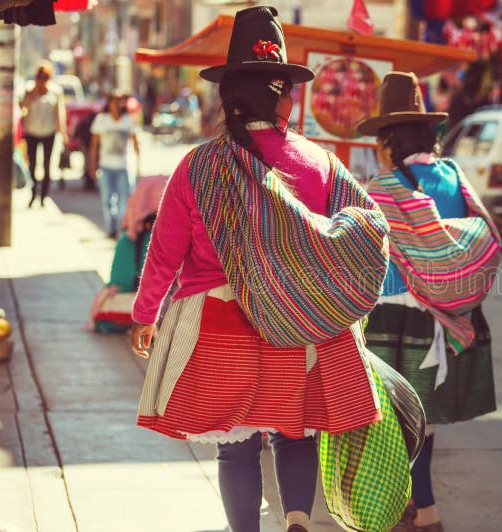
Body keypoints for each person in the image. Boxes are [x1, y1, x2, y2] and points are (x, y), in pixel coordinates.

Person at [129, 7, 389, 532]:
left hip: (220, 328)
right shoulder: (319, 163)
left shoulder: (198, 165)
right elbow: (365, 228)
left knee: (238, 447)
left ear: (228, 99)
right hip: (301, 326)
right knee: (297, 432)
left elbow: (165, 250)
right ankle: (296, 520)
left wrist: (144, 313)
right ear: (283, 97)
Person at [357, 72, 501, 532]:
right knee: (426, 422)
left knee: (393, 421)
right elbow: (481, 231)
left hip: (395, 313)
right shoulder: (455, 177)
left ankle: (413, 509)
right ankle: (424, 508)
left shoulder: (383, 189)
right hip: (448, 315)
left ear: (387, 141)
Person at [89, 91, 140, 238]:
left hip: (123, 167)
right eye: (114, 101)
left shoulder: (128, 121)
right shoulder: (101, 120)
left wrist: (138, 165)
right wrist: (92, 166)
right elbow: (94, 145)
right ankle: (111, 227)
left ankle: (120, 226)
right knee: (107, 199)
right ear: (109, 104)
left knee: (125, 200)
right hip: (106, 167)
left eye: (119, 101)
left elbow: (136, 143)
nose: (116, 105)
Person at [20, 61, 68, 206]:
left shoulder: (55, 92)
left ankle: (44, 196)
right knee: (32, 165)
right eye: (39, 77)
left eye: (45, 77)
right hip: (32, 132)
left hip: (49, 132)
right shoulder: (29, 91)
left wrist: (63, 132)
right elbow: (23, 108)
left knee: (47, 165)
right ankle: (34, 192)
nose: (42, 80)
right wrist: (33, 93)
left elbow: (59, 113)